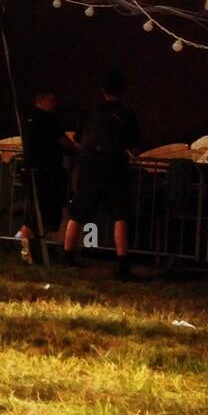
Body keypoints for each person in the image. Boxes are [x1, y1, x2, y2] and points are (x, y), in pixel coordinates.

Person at [62, 70, 143, 279]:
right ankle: (122, 263)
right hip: (114, 168)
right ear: (123, 91)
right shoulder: (127, 115)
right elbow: (134, 147)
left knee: (78, 212)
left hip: (89, 167)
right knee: (120, 215)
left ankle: (67, 256)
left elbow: (78, 139)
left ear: (102, 90)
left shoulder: (92, 113)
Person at [18, 87, 75, 263]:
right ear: (41, 100)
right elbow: (64, 142)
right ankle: (31, 252)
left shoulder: (27, 120)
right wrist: (77, 151)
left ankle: (29, 252)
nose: (55, 104)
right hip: (45, 174)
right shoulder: (48, 120)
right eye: (52, 100)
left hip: (31, 171)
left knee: (33, 214)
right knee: (41, 214)